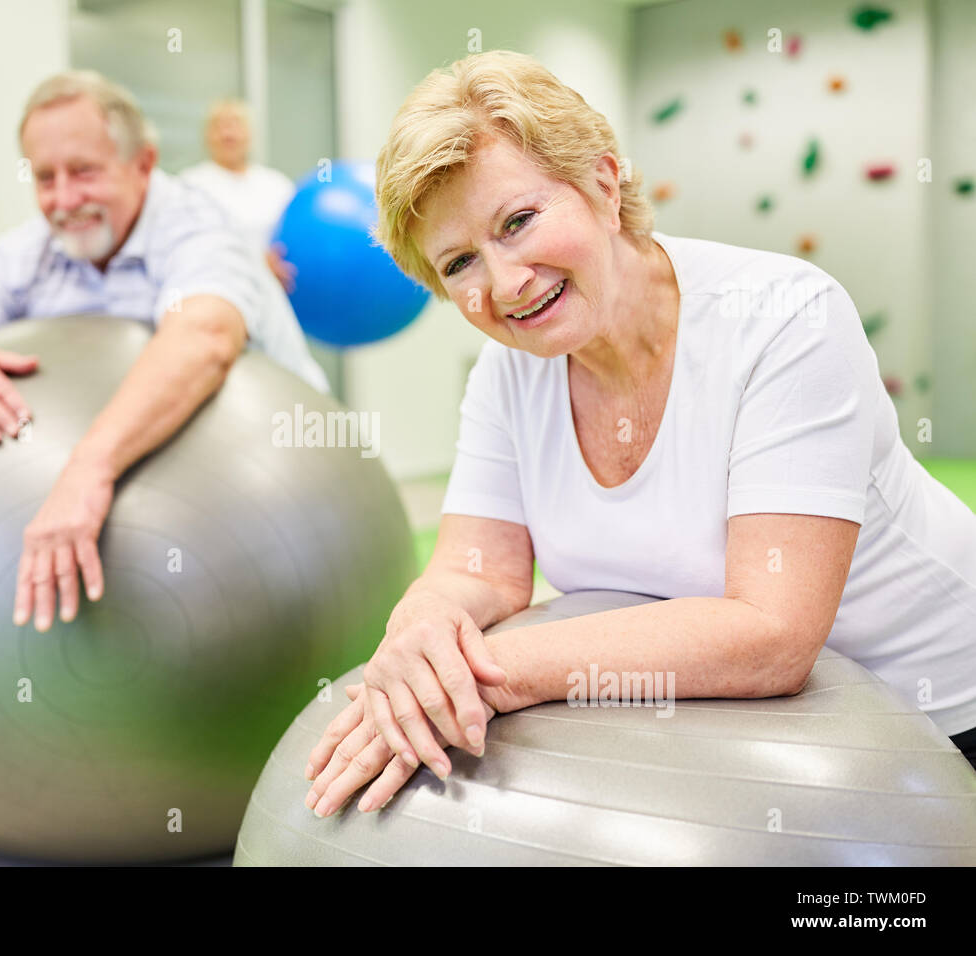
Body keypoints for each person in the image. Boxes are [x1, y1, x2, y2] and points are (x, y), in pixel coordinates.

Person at [304, 49, 976, 817]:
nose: (504, 283)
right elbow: (478, 572)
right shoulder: (507, 372)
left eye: (518, 222)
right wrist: (414, 640)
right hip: (751, 741)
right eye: (459, 263)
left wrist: (481, 674)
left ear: (602, 178)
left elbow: (772, 634)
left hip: (944, 725)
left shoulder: (785, 317)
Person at [0, 70, 328, 635]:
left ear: (143, 164)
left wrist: (88, 469)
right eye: (45, 178)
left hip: (283, 502)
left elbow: (202, 338)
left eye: (83, 171)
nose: (63, 200)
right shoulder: (27, 255)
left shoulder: (200, 229)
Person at [179, 99, 298, 292]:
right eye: (218, 126)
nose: (228, 134)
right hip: (216, 294)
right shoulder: (189, 186)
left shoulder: (278, 185)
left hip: (280, 298)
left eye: (236, 124)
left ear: (251, 134)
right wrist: (258, 268)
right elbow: (188, 251)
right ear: (207, 136)